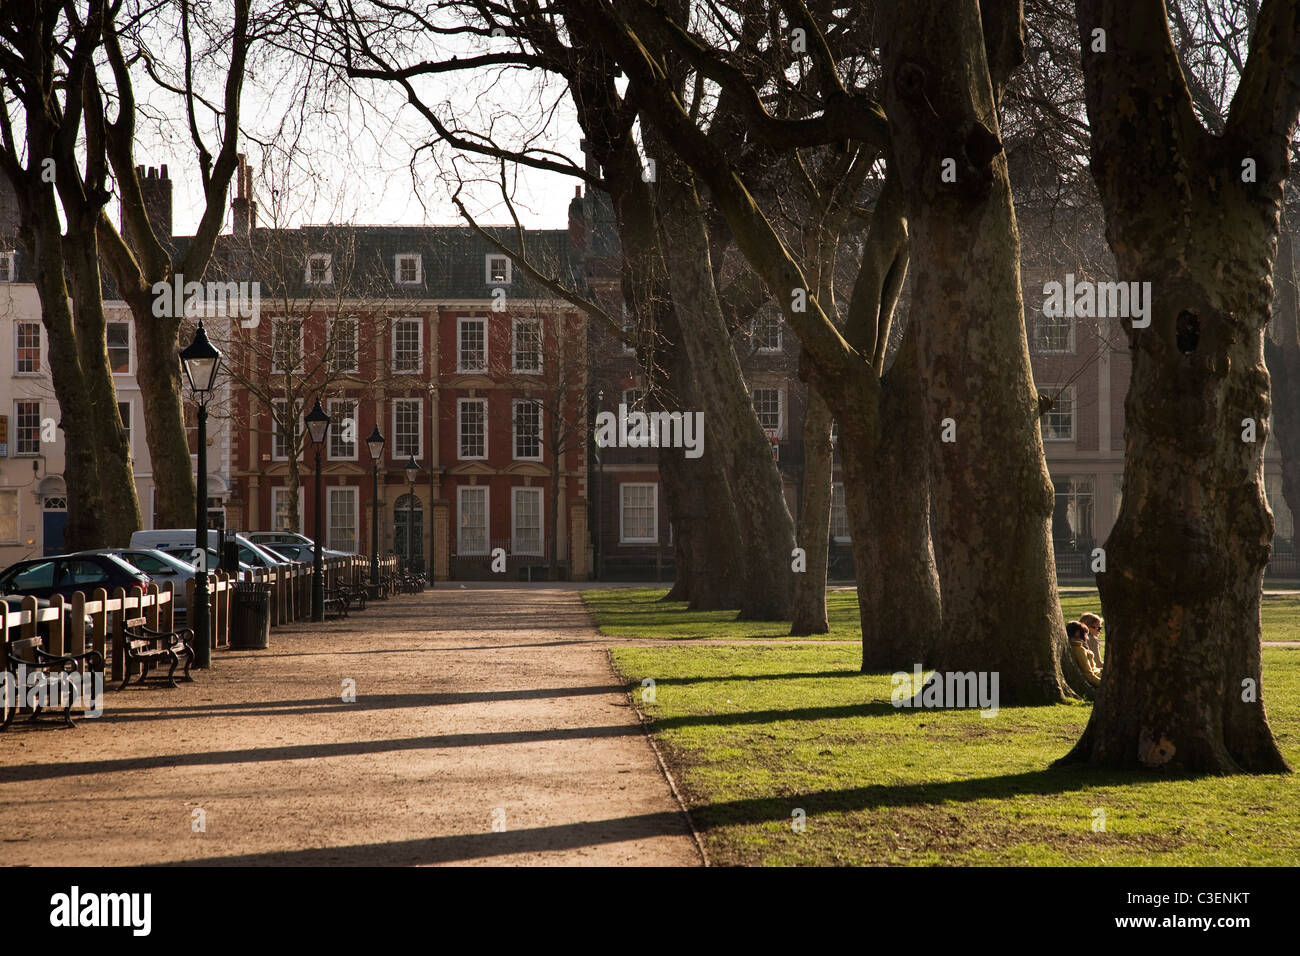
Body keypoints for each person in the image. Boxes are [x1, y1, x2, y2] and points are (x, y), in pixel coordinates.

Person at [1067, 620, 1102, 687]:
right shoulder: (1079, 650)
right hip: (1097, 677)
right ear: (1077, 633)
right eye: (1085, 634)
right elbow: (1088, 674)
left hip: (1098, 672)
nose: (1087, 638)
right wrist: (1104, 685)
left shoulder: (1079, 647)